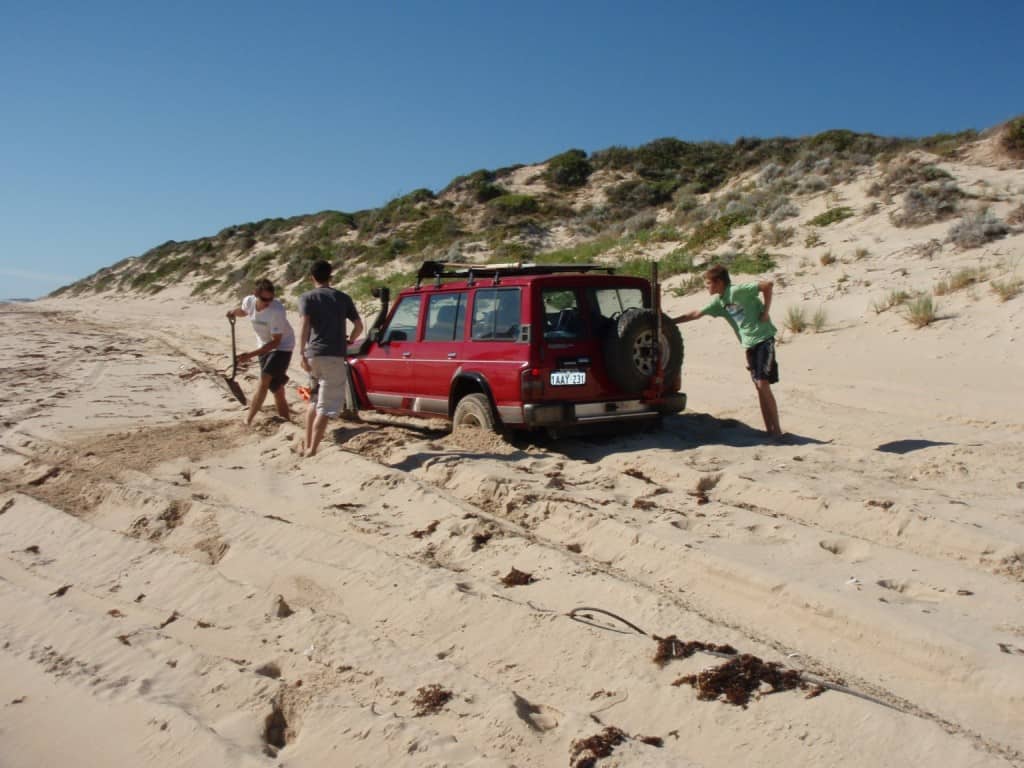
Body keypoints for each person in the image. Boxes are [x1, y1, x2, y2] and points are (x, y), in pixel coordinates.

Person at [672, 264, 783, 439]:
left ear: (719, 282)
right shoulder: (719, 302)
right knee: (759, 387)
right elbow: (695, 314)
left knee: (762, 383)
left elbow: (767, 285)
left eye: (708, 283)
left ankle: (777, 431)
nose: (706, 286)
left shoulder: (737, 291)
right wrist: (670, 321)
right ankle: (769, 431)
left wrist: (766, 312)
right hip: (748, 345)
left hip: (763, 339)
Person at [298, 260, 364, 457]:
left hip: (313, 355)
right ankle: (312, 450)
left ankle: (307, 442)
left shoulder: (306, 297)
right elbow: (358, 326)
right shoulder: (343, 298)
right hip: (334, 356)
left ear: (312, 278)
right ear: (331, 276)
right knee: (325, 408)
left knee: (312, 400)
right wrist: (350, 340)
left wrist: (301, 353)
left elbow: (304, 327)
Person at [226, 279, 296, 425]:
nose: (268, 302)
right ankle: (286, 421)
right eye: (264, 299)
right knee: (276, 388)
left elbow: (276, 342)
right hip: (264, 345)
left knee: (264, 380)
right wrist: (233, 312)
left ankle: (248, 419)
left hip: (282, 347)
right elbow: (244, 311)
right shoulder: (249, 301)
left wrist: (250, 355)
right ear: (255, 295)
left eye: (271, 299)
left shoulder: (276, 311)